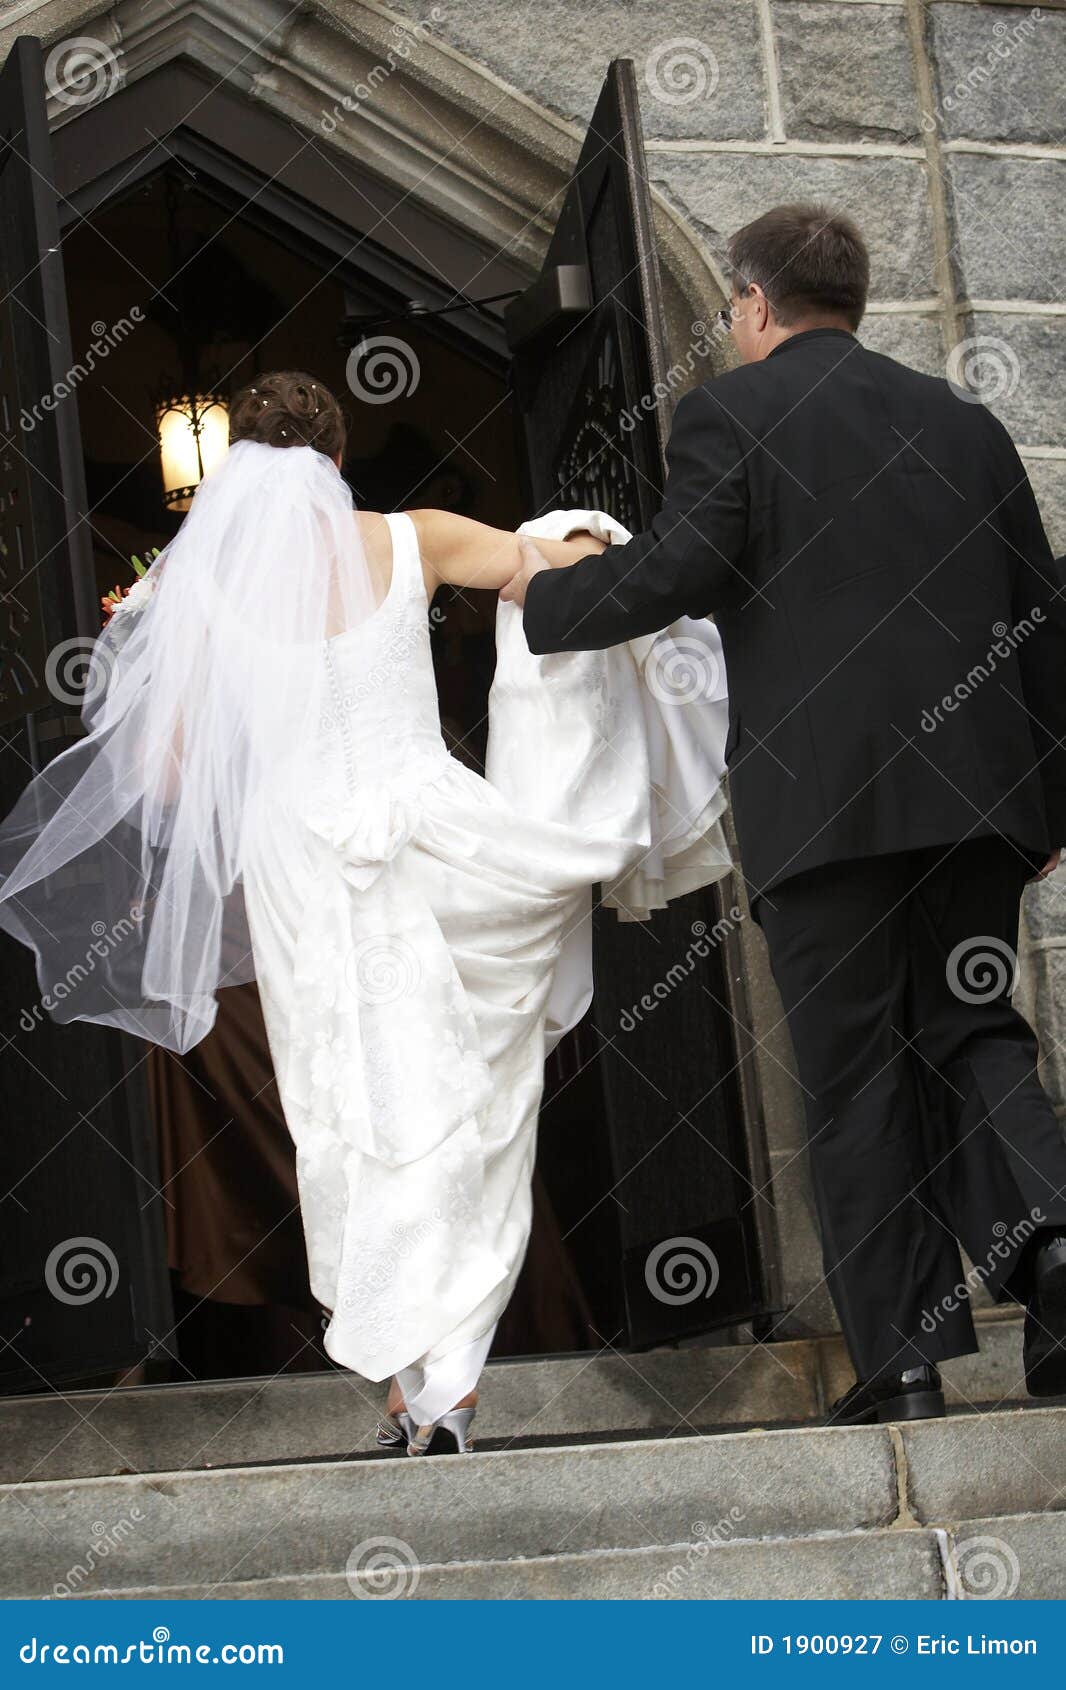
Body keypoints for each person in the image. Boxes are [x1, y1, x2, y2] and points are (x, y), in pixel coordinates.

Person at [0, 371, 732, 1455]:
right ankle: (456, 1372)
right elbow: (547, 579)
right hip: (433, 830)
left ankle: (405, 1379)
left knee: (346, 1102)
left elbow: (161, 770)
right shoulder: (412, 534)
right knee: (475, 1086)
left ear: (237, 470)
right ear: (337, 460)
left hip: (298, 857)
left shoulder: (196, 592)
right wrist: (589, 537)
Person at [504, 203, 1066, 1425]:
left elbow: (677, 566)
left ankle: (903, 1364)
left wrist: (540, 602)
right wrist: (1047, 799)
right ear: (850, 302)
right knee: (975, 1034)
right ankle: (1055, 1245)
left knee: (857, 1075)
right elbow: (1045, 610)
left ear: (752, 306)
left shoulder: (732, 414)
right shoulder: (964, 427)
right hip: (977, 803)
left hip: (827, 809)